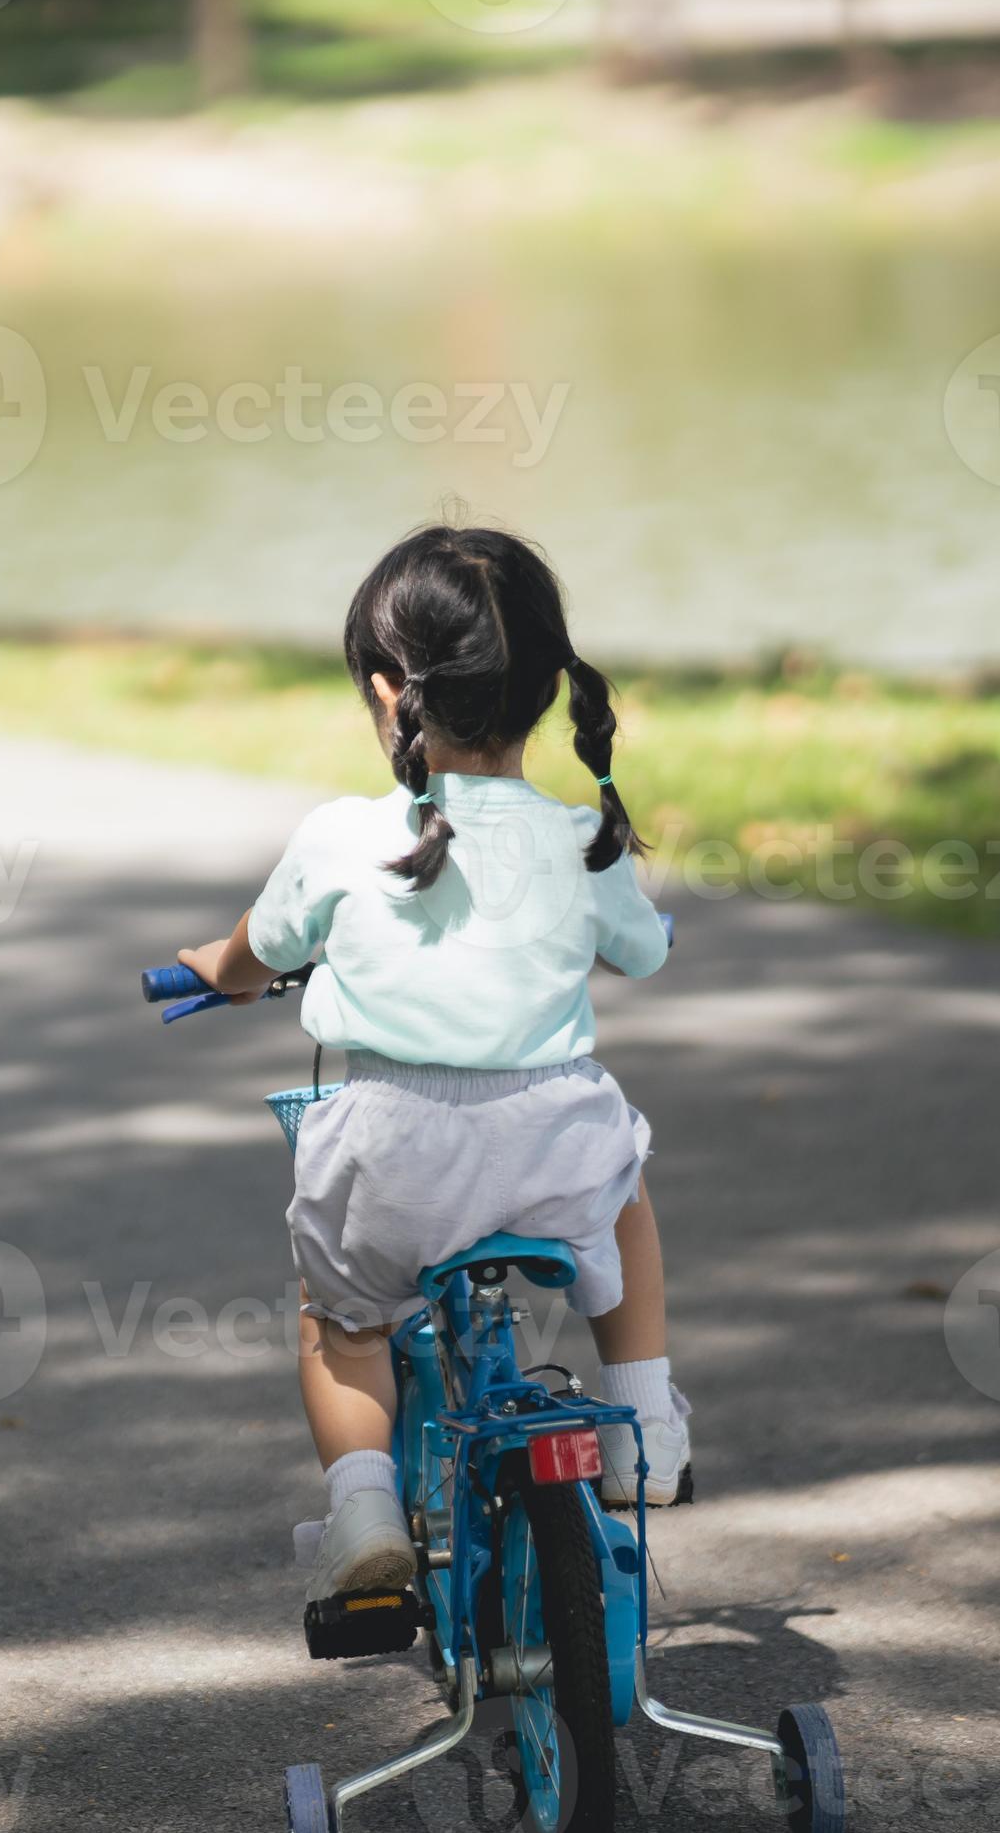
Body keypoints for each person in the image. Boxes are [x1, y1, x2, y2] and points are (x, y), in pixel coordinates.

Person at [172, 524, 689, 1606]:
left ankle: (363, 1510)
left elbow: (251, 957)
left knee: (342, 1321)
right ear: (550, 693)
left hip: (390, 1163)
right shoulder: (580, 838)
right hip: (554, 1154)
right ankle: (643, 1422)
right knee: (627, 1188)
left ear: (384, 690)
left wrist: (209, 970)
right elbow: (641, 949)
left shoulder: (340, 835)